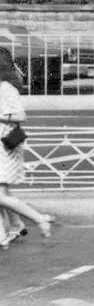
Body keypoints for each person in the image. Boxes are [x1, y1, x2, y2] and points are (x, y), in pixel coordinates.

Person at [0, 50, 54, 248]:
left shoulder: (6, 89)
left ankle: (39, 219)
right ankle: (12, 229)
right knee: (1, 195)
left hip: (5, 146)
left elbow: (21, 116)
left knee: (0, 196)